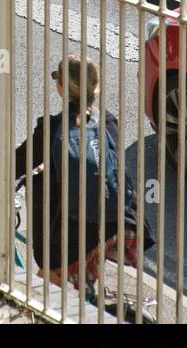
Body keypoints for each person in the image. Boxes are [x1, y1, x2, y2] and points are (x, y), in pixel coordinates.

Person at [14, 56, 154, 301]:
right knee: (83, 277)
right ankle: (95, 302)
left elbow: (11, 166)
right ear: (95, 86)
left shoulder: (52, 129)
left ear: (60, 88)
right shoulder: (107, 120)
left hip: (79, 232)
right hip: (123, 223)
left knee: (43, 288)